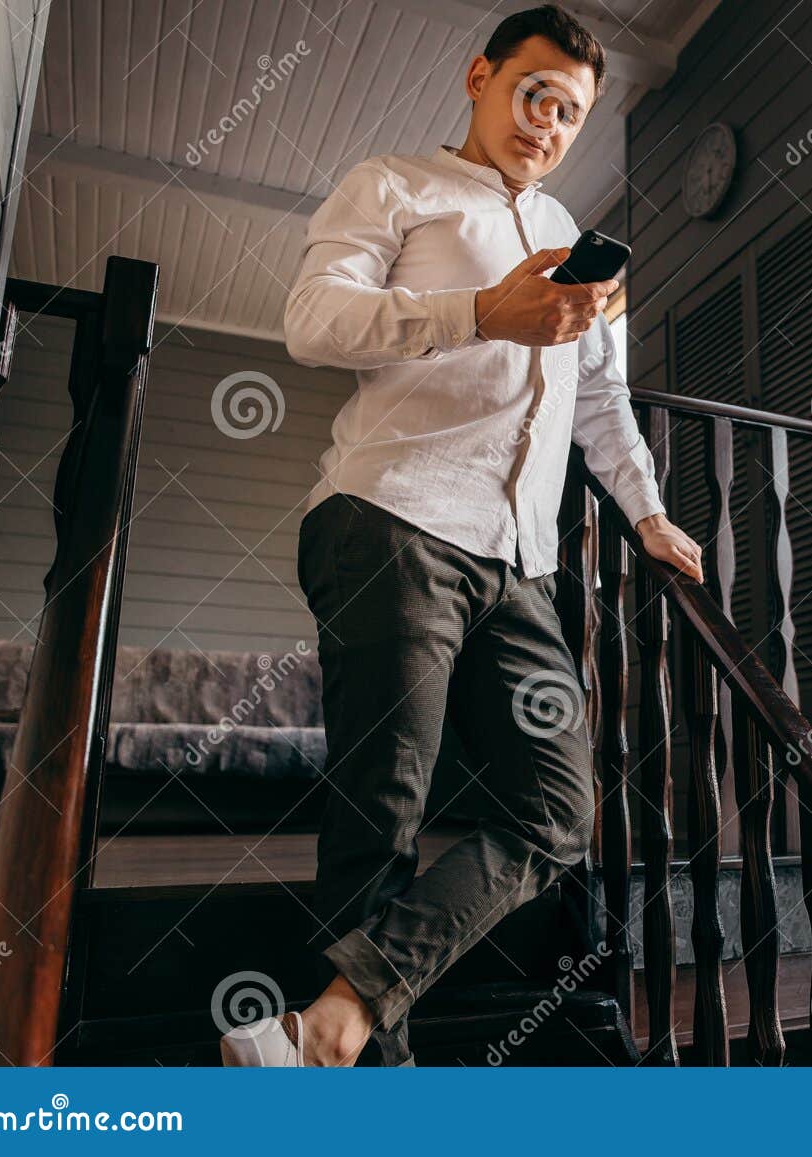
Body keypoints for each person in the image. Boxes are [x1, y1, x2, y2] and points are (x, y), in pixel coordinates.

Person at [220, 4, 702, 1067]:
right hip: (390, 520)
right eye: (534, 93)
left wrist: (649, 512)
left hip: (519, 563)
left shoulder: (579, 245)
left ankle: (328, 1026)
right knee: (381, 817)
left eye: (571, 112)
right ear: (480, 77)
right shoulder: (391, 183)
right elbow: (314, 320)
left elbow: (602, 401)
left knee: (556, 811)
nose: (548, 123)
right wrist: (481, 311)